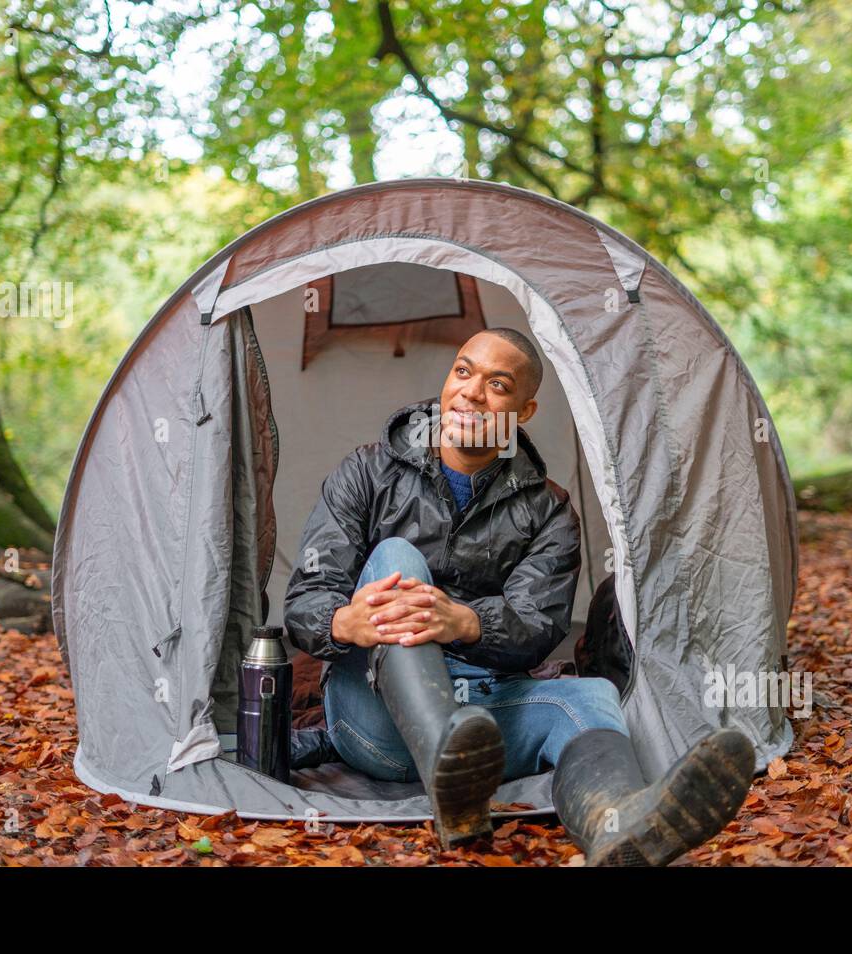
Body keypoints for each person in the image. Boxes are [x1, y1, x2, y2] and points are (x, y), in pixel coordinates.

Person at [283, 327, 754, 865]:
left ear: (524, 410)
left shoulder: (548, 509)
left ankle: (618, 823)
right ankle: (446, 767)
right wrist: (346, 622)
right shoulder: (367, 472)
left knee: (592, 696)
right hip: (375, 719)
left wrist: (464, 622)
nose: (471, 393)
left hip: (484, 723)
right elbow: (304, 602)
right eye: (463, 371)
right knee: (396, 559)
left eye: (497, 384)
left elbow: (537, 630)